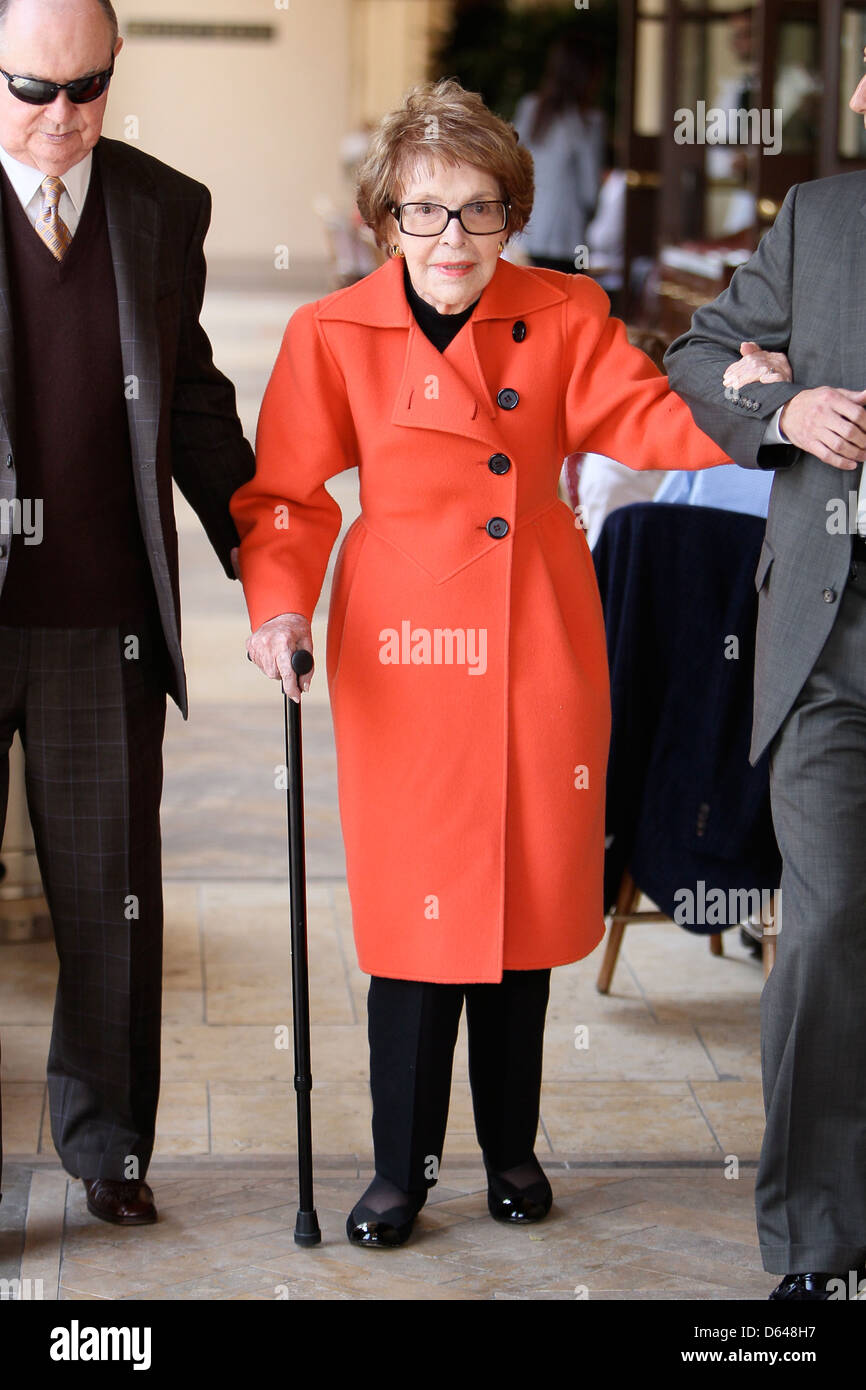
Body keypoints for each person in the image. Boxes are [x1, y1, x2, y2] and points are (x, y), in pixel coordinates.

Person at [232, 78, 770, 1251]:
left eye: (477, 212)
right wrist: (280, 612)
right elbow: (282, 500)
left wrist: (747, 405)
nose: (450, 241)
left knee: (521, 913)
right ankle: (400, 1171)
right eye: (423, 213)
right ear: (384, 219)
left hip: (537, 644)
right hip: (404, 654)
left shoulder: (566, 314)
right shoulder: (331, 334)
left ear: (510, 217)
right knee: (416, 931)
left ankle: (513, 1150)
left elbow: (649, 419)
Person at [0, 0, 254, 1226]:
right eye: (34, 89)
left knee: (110, 899)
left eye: (87, 88)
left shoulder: (163, 206)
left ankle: (108, 1147)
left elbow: (192, 394)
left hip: (103, 618)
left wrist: (265, 551)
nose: (63, 117)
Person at [664, 50, 866, 1301]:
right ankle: (815, 1245)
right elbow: (698, 352)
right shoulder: (820, 218)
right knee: (832, 920)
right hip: (829, 641)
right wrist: (782, 417)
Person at [510, 35, 605, 274]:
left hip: (525, 235)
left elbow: (511, 168)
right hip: (568, 243)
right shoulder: (588, 122)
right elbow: (590, 192)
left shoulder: (530, 109)